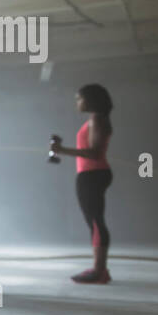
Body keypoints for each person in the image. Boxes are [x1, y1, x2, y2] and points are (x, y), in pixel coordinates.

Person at [50, 84, 113, 283]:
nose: (77, 102)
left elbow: (94, 153)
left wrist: (62, 150)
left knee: (95, 222)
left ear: (90, 100)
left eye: (79, 98)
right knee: (94, 222)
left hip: (92, 174)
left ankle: (99, 271)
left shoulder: (95, 120)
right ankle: (100, 269)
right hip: (93, 173)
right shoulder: (98, 119)